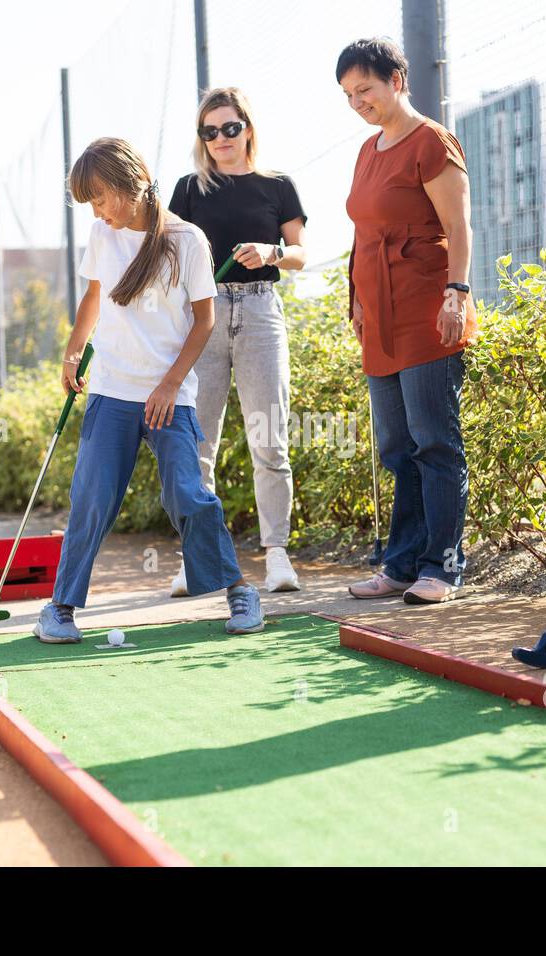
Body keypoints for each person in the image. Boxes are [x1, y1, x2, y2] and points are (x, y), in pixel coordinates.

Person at [35, 136, 264, 643]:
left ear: (129, 182)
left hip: (169, 394)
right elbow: (93, 300)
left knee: (187, 493)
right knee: (91, 497)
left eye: (99, 197)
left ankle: (239, 591)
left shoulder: (187, 240)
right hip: (113, 390)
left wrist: (169, 384)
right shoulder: (102, 235)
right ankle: (60, 607)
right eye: (89, 201)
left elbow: (204, 322)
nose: (96, 210)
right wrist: (74, 351)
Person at [338, 37, 477, 606]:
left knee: (435, 442)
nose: (358, 101)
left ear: (397, 79)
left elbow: (460, 226)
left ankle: (441, 567)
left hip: (427, 311)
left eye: (365, 88)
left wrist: (456, 292)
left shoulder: (431, 143)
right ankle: (400, 564)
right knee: (397, 444)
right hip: (380, 318)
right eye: (348, 94)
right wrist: (355, 298)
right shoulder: (369, 150)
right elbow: (362, 231)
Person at [167, 87, 309, 597]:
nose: (221, 139)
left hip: (259, 310)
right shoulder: (187, 189)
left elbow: (299, 254)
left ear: (247, 128)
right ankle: (196, 559)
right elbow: (167, 254)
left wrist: (271, 251)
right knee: (197, 443)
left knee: (269, 439)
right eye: (209, 131)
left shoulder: (276, 186)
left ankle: (277, 556)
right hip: (202, 316)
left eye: (229, 128)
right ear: (201, 138)